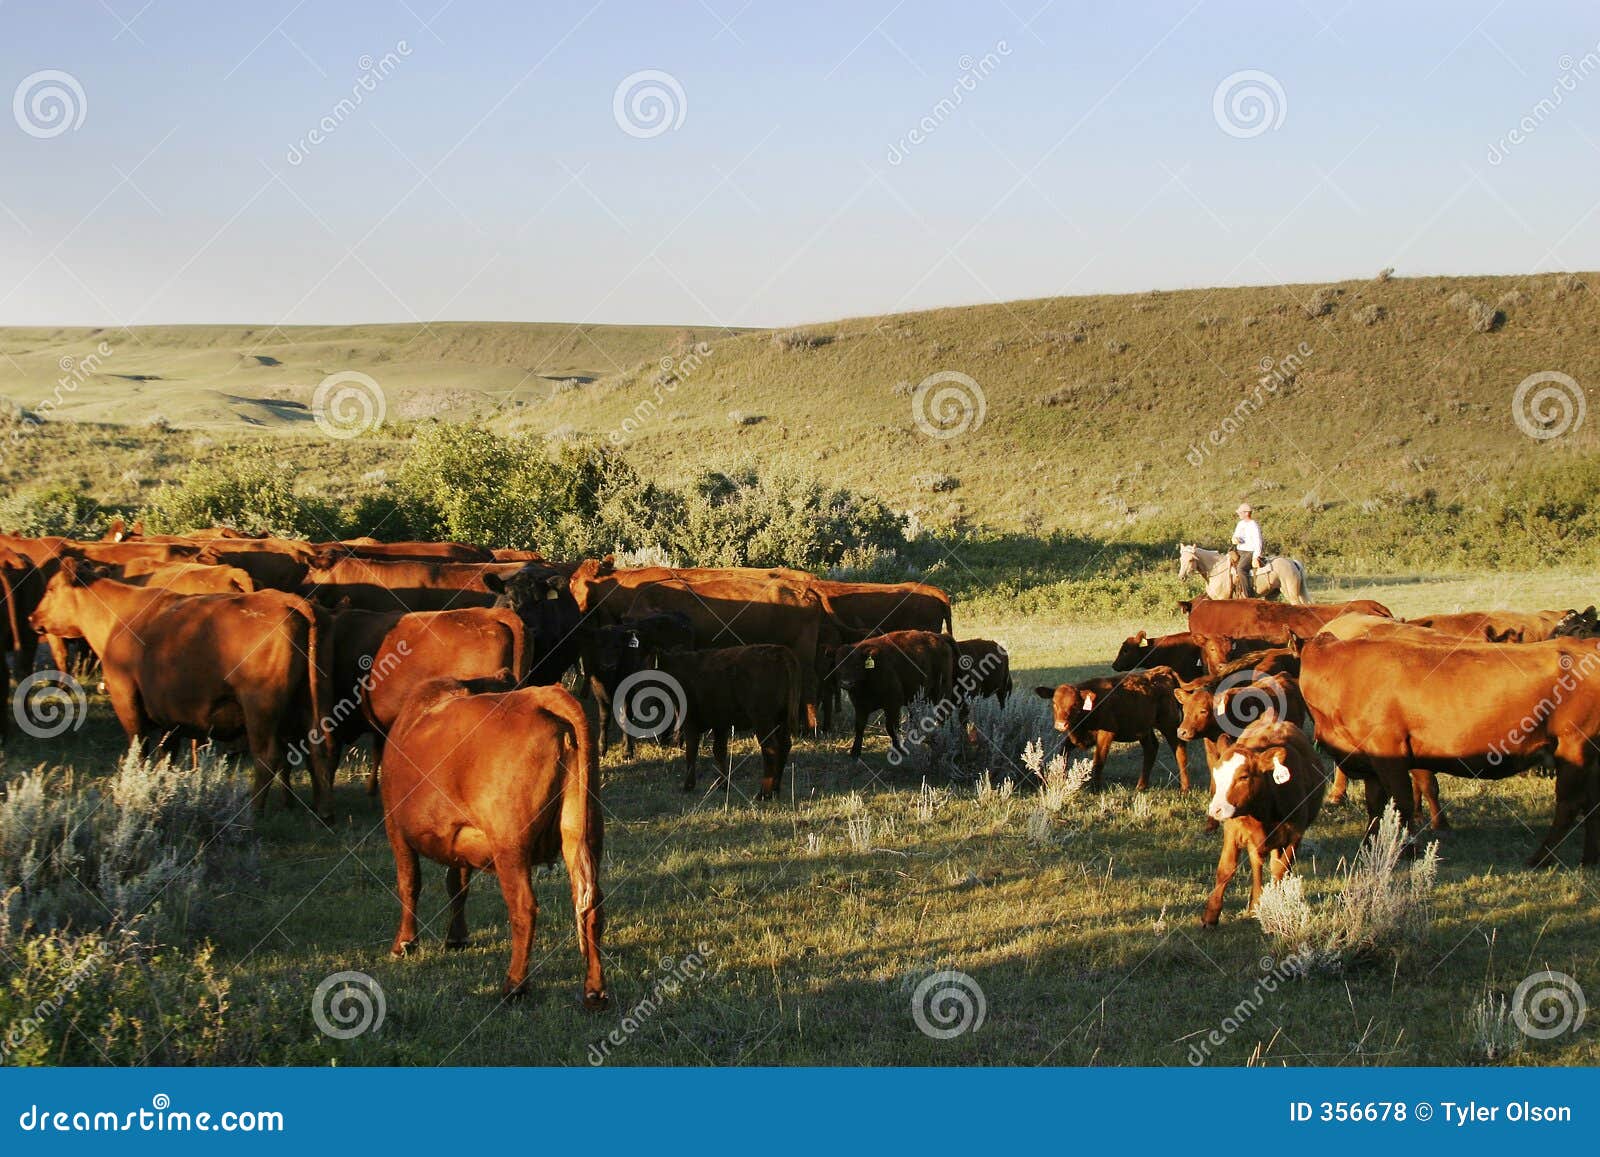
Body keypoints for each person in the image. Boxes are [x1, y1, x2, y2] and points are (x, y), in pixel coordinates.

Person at [1231, 503, 1263, 595]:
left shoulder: (1253, 525)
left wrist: (1255, 556)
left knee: (1241, 569)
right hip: (1239, 550)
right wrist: (1235, 539)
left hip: (1250, 552)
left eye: (1240, 512)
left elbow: (1258, 541)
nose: (1239, 514)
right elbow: (1236, 535)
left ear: (1246, 513)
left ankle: (1248, 594)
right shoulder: (1240, 524)